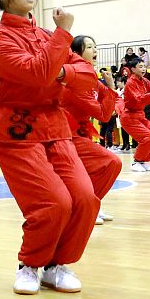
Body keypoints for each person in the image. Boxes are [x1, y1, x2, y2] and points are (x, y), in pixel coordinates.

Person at [0, 0, 98, 295]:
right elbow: (36, 73)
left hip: (54, 126)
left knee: (85, 198)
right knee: (54, 203)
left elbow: (87, 76)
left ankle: (56, 264)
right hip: (17, 130)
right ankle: (30, 264)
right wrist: (64, 35)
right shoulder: (0, 40)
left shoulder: (47, 36)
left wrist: (63, 72)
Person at [61, 36, 122, 225]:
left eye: (95, 46)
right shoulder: (76, 81)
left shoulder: (92, 78)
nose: (95, 50)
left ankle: (90, 204)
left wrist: (109, 90)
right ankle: (86, 207)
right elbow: (104, 114)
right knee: (111, 162)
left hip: (81, 133)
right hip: (66, 136)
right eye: (89, 47)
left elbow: (110, 103)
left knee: (103, 166)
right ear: (77, 54)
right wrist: (111, 87)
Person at [119, 60, 150, 171]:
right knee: (148, 137)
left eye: (144, 66)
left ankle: (143, 161)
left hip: (140, 115)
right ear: (133, 69)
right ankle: (136, 162)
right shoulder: (130, 83)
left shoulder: (145, 81)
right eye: (140, 66)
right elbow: (139, 100)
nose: (143, 69)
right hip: (129, 116)